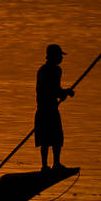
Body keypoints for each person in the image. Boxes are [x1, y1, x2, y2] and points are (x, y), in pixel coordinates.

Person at [35, 43, 74, 172]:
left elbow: (55, 90)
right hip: (46, 109)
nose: (61, 58)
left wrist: (63, 93)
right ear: (53, 56)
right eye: (59, 56)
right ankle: (45, 166)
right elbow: (51, 90)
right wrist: (65, 93)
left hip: (48, 108)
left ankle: (55, 164)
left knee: (56, 138)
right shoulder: (47, 71)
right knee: (46, 140)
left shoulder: (52, 70)